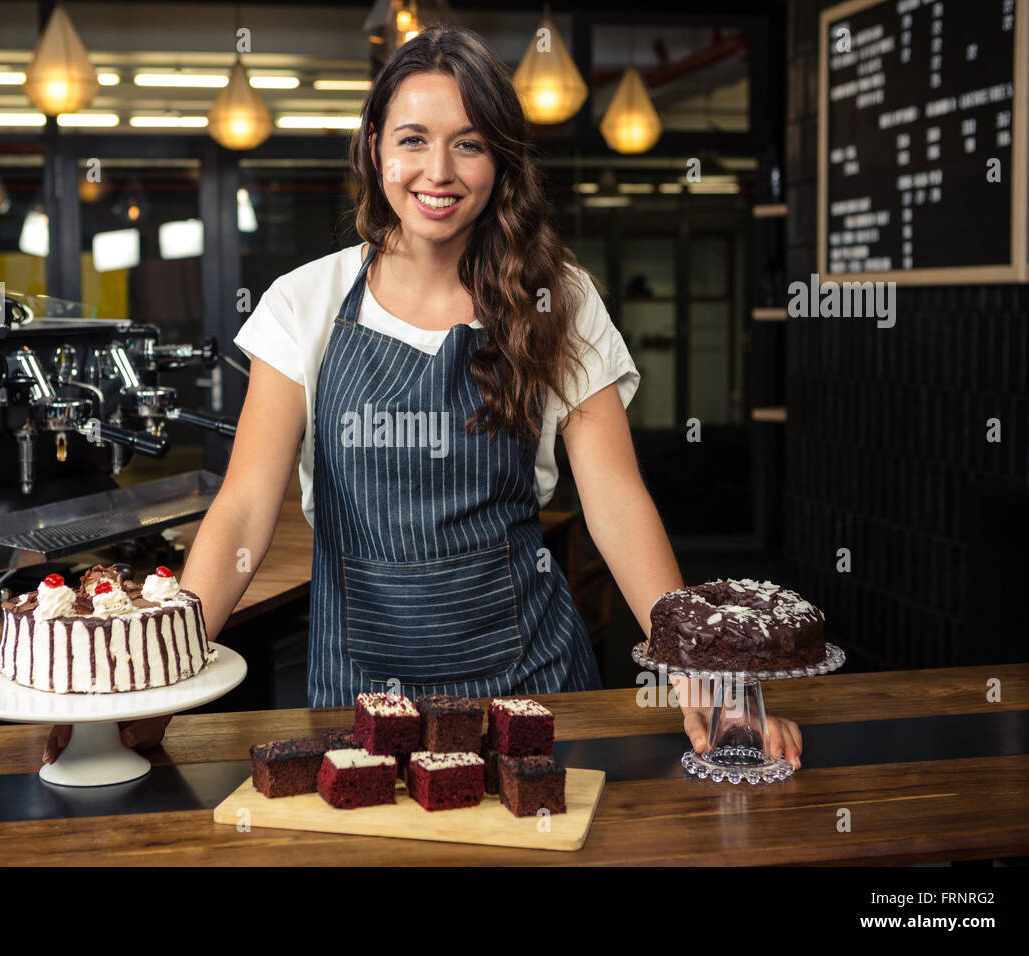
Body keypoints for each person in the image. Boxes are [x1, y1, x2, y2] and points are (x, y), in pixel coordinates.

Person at [46, 25, 802, 769]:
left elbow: (614, 502)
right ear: (376, 146)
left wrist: (704, 668)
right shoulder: (303, 304)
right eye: (412, 139)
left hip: (530, 693)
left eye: (468, 144)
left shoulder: (557, 299)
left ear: (500, 160)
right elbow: (243, 507)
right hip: (360, 699)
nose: (437, 171)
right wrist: (152, 691)